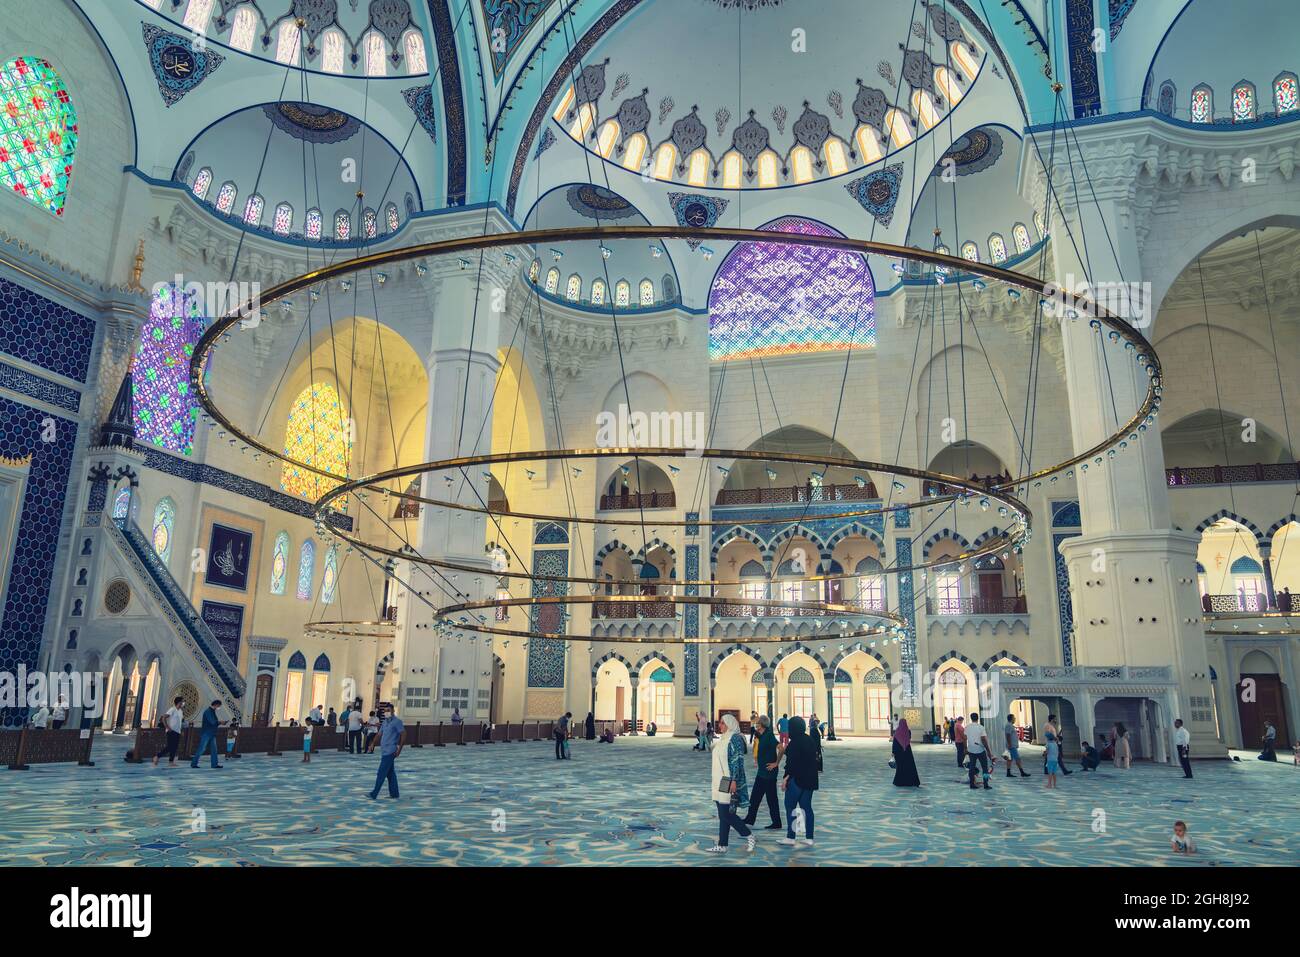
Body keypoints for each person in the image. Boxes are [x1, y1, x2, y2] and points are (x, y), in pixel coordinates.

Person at [707, 713, 755, 854]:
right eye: (720, 723)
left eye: (723, 723)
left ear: (729, 724)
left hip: (727, 780)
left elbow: (737, 761)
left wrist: (734, 780)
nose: (720, 725)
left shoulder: (734, 739)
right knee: (723, 814)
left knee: (727, 814)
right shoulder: (723, 739)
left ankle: (749, 835)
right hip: (718, 780)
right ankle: (722, 845)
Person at [779, 716, 818, 847]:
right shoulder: (809, 740)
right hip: (810, 780)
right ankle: (809, 838)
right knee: (807, 808)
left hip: (797, 780)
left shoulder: (794, 743)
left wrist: (785, 779)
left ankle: (791, 837)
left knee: (790, 807)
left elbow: (791, 764)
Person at [742, 715, 783, 829]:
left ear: (762, 725)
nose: (756, 724)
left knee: (767, 798)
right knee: (760, 797)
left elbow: (781, 748)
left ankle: (774, 822)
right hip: (763, 772)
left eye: (758, 723)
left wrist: (776, 763)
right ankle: (753, 819)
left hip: (768, 773)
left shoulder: (769, 736)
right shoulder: (762, 735)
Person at [368, 708, 405, 800]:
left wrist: (399, 749)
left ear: (393, 711)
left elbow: (404, 734)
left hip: (391, 750)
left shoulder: (397, 722)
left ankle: (374, 793)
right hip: (384, 750)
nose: (386, 712)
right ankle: (394, 794)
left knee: (381, 773)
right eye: (385, 711)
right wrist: (373, 743)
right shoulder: (385, 722)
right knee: (390, 773)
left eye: (388, 710)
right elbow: (379, 734)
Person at [190, 700, 223, 769]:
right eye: (219, 706)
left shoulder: (212, 711)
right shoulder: (208, 711)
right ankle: (194, 763)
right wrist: (220, 722)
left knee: (214, 750)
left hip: (212, 733)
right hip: (206, 733)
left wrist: (219, 722)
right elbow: (212, 722)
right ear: (216, 705)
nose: (219, 708)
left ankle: (214, 764)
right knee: (202, 749)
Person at [153, 696, 185, 766]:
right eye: (182, 702)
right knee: (170, 746)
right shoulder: (172, 709)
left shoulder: (180, 711)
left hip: (177, 731)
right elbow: (164, 717)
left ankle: (171, 762)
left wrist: (181, 730)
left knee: (174, 747)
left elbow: (180, 722)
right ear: (179, 702)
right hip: (171, 731)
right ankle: (157, 756)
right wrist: (167, 727)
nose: (183, 703)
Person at [965, 712, 992, 790]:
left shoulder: (967, 727)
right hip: (980, 750)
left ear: (971, 718)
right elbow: (984, 740)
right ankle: (986, 784)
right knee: (985, 768)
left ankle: (971, 784)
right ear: (978, 718)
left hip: (971, 750)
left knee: (972, 768)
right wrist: (989, 751)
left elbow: (964, 738)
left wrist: (965, 748)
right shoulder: (981, 727)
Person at [892, 717, 921, 787]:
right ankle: (911, 782)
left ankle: (900, 782)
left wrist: (893, 752)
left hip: (898, 753)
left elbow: (894, 743)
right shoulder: (908, 731)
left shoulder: (897, 732)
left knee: (900, 767)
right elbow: (908, 739)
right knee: (909, 767)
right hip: (907, 752)